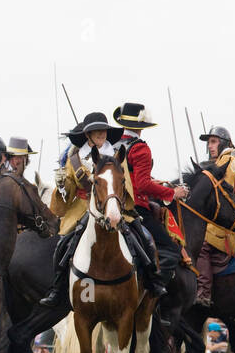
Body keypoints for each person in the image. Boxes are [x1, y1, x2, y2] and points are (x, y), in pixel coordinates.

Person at [38, 112, 161, 306]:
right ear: (88, 135)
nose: (101, 134)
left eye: (103, 130)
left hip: (114, 207)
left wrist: (119, 203)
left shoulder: (117, 156)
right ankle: (57, 289)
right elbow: (67, 193)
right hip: (82, 210)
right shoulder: (74, 160)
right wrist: (62, 185)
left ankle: (152, 281)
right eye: (96, 131)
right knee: (63, 247)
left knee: (144, 237)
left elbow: (126, 185)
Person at [113, 102, 187, 297]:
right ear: (141, 127)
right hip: (135, 208)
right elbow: (143, 184)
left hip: (111, 205)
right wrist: (171, 193)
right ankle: (150, 294)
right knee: (171, 252)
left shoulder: (111, 145)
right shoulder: (140, 149)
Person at [194, 126, 235, 306]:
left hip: (231, 220)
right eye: (209, 142)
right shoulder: (224, 160)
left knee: (201, 245)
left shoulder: (231, 159)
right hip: (222, 216)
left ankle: (203, 292)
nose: (210, 146)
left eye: (213, 141)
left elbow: (223, 192)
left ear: (223, 142)